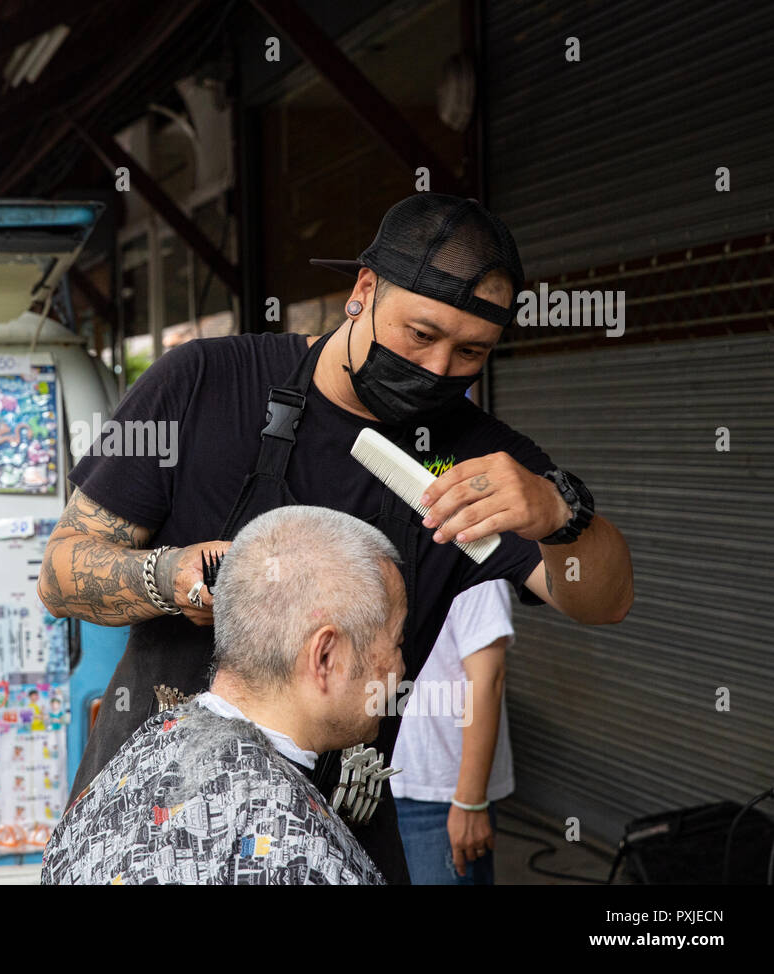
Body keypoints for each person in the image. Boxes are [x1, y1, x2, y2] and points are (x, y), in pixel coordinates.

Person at [37, 193, 634, 884]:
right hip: (156, 820)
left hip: (333, 830)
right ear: (364, 290)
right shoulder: (201, 383)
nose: (439, 368)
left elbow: (606, 601)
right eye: (421, 334)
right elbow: (60, 574)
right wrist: (167, 578)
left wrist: (559, 515)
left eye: (470, 351)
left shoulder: (473, 460)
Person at [41, 506, 404, 885]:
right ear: (325, 656)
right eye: (397, 643)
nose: (401, 669)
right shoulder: (294, 855)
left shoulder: (135, 757)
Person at [391, 579, 514, 884]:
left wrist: (470, 802)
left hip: (443, 798)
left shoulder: (474, 563)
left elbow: (488, 679)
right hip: (380, 785)